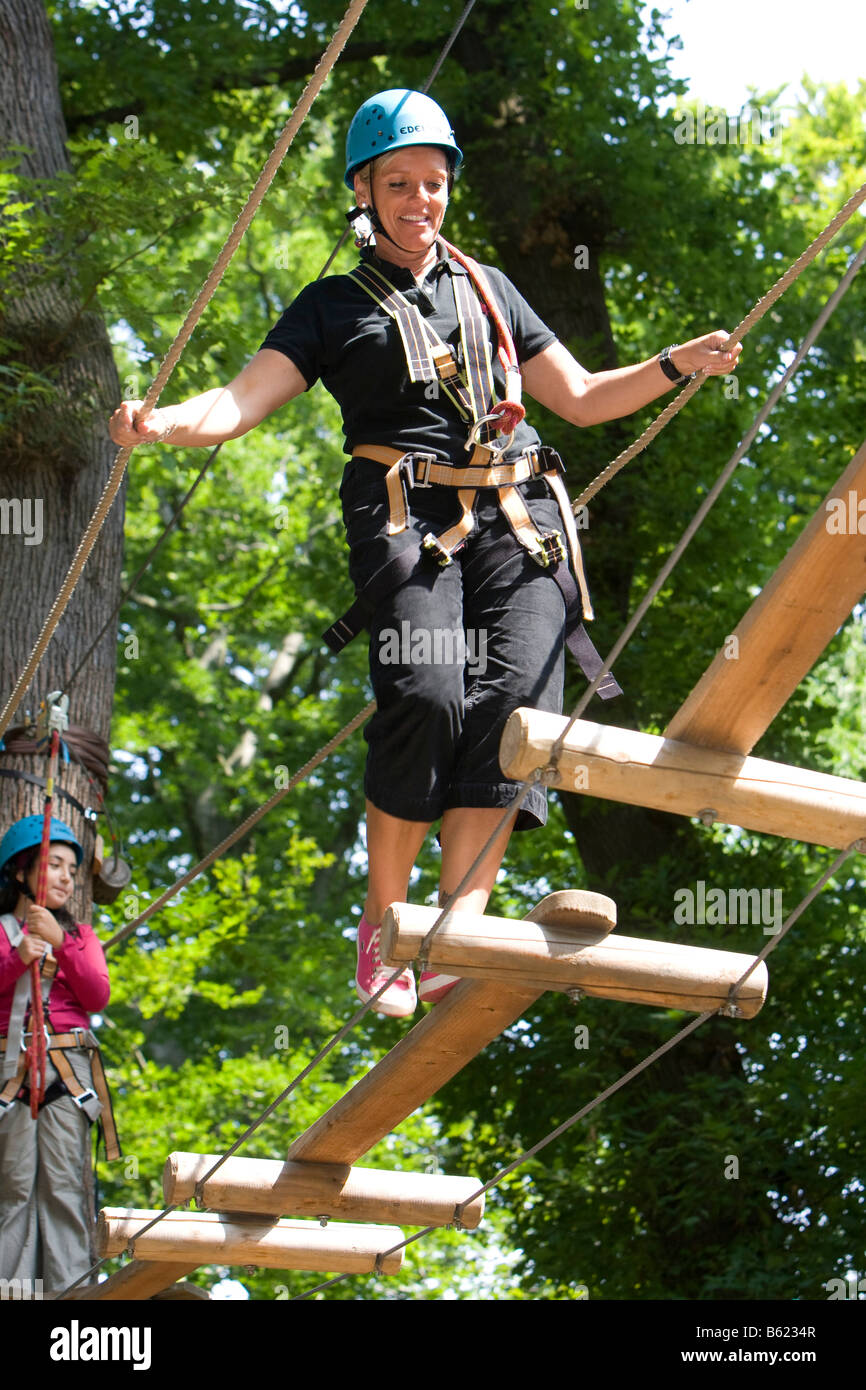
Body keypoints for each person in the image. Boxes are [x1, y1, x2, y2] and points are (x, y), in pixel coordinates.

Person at [109, 89, 741, 1021]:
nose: (419, 199)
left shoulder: (490, 289)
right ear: (362, 191)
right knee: (428, 689)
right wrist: (156, 424)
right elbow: (238, 405)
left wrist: (674, 365)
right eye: (398, 183)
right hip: (404, 509)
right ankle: (389, 923)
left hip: (519, 510)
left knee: (516, 700)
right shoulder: (331, 307)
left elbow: (581, 397)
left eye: (434, 183)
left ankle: (459, 928)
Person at [0, 815, 114, 1294]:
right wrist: (20, 955)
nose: (68, 877)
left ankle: (70, 1296)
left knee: (65, 1186)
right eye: (55, 866)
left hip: (67, 1071)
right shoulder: (4, 935)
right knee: (15, 1187)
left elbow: (96, 994)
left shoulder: (82, 937)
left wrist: (62, 942)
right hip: (11, 1069)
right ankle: (11, 1290)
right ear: (23, 873)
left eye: (73, 869)